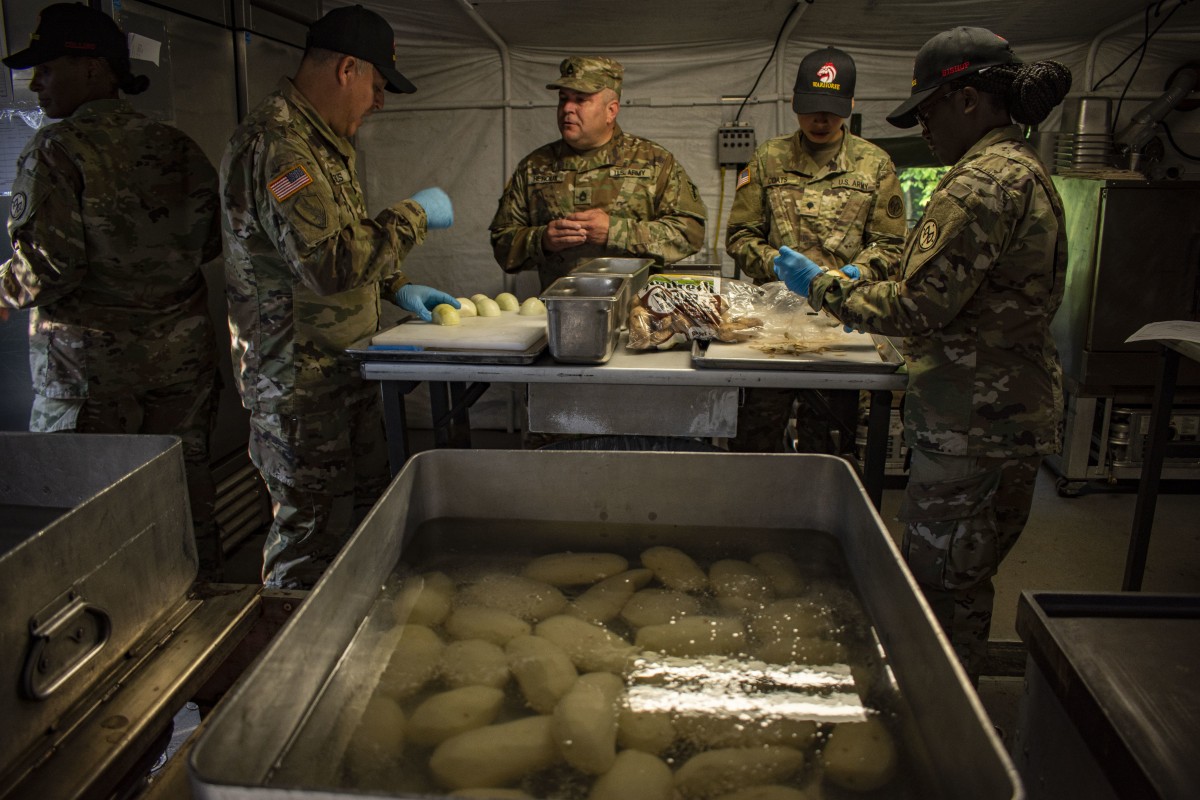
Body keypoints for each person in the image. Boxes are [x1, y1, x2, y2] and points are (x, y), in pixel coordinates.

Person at [774, 27, 1071, 681]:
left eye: (929, 112)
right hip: (999, 415)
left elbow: (917, 309)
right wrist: (869, 282)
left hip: (974, 426)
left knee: (943, 601)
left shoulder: (979, 186)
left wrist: (821, 286)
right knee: (959, 586)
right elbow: (956, 291)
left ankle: (945, 731)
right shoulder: (1018, 168)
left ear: (968, 100)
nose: (925, 129)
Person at [220, 4, 459, 589]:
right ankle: (288, 669)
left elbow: (335, 245)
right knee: (310, 541)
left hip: (339, 368)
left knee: (364, 523)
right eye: (377, 86)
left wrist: (397, 287)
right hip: (296, 382)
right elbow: (326, 264)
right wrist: (412, 216)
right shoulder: (279, 145)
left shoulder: (322, 142)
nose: (380, 101)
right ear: (348, 68)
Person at [0, 4, 226, 579]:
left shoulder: (57, 149)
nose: (35, 83)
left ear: (93, 68)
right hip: (180, 367)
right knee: (183, 487)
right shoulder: (177, 146)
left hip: (90, 381)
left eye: (46, 68)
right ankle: (201, 596)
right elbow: (208, 245)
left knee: (84, 510)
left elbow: (48, 265)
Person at [726, 46, 905, 453]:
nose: (820, 119)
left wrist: (857, 272)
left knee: (829, 443)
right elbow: (740, 235)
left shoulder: (874, 164)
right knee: (756, 437)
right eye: (810, 108)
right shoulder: (769, 158)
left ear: (851, 105)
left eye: (831, 109)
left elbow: (892, 244)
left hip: (841, 322)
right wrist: (774, 262)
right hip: (770, 324)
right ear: (793, 103)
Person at [490, 56, 707, 290]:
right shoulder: (534, 166)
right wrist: (542, 240)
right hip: (561, 314)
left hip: (638, 315)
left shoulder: (654, 162)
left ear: (610, 111)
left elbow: (689, 234)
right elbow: (502, 244)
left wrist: (616, 232)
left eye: (580, 100)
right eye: (563, 99)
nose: (567, 109)